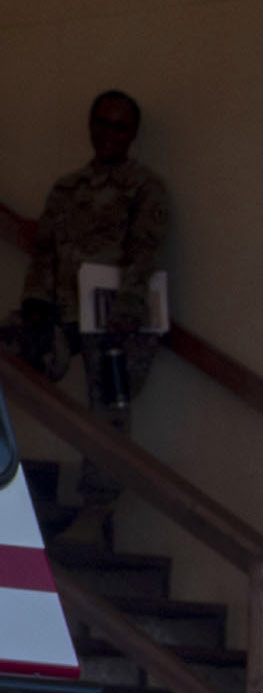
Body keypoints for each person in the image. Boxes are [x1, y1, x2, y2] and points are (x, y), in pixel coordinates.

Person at [12, 92, 170, 482]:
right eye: (101, 122)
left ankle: (96, 511)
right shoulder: (67, 188)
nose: (109, 133)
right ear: (89, 125)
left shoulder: (144, 187)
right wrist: (34, 306)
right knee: (11, 347)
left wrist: (126, 313)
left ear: (132, 133)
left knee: (108, 417)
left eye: (120, 126)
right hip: (64, 313)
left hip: (115, 321)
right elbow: (44, 253)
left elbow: (145, 253)